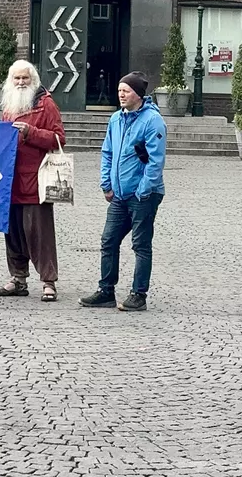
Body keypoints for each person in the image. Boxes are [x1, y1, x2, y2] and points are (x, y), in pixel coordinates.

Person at [83, 72, 167, 312]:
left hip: (144, 195)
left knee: (141, 245)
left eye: (126, 90)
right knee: (108, 240)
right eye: (119, 90)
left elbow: (155, 161)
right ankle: (106, 291)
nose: (121, 94)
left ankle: (138, 294)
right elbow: (107, 152)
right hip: (119, 195)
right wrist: (106, 184)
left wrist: (143, 190)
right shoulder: (115, 119)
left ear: (138, 95)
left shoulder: (153, 121)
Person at [0, 60, 65, 302]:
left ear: (32, 79)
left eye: (24, 78)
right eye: (16, 78)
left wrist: (31, 133)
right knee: (13, 233)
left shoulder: (46, 104)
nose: (20, 83)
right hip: (11, 180)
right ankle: (18, 278)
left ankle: (49, 281)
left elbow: (59, 138)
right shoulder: (8, 104)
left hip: (37, 180)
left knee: (39, 233)